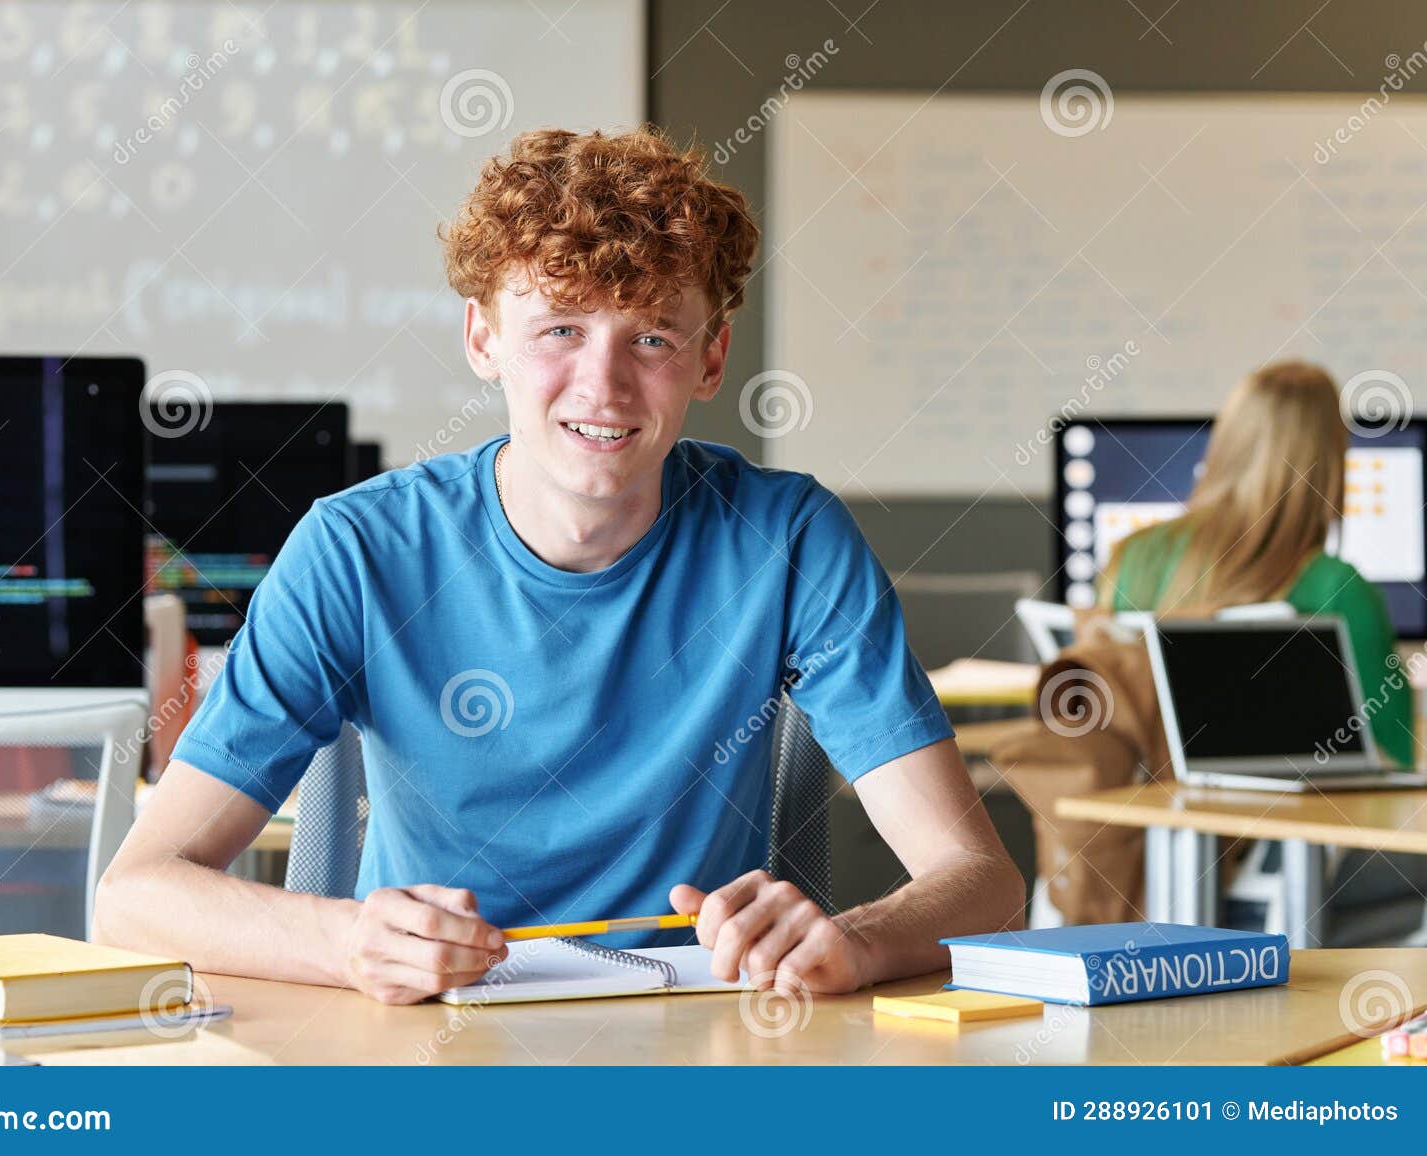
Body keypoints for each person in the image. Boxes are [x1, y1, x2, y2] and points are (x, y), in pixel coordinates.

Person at [93, 127, 1023, 1004]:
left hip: (694, 1038)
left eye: (653, 337)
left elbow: (981, 883)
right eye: (560, 329)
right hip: (430, 1033)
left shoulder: (789, 540)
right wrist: (346, 942)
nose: (604, 386)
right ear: (482, 337)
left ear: (711, 358)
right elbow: (134, 896)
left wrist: (856, 938)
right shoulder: (358, 549)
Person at [1102, 360, 1412, 767]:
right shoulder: (1338, 589)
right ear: (1332, 462)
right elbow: (1394, 756)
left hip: (1147, 817)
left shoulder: (1130, 557)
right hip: (1287, 824)